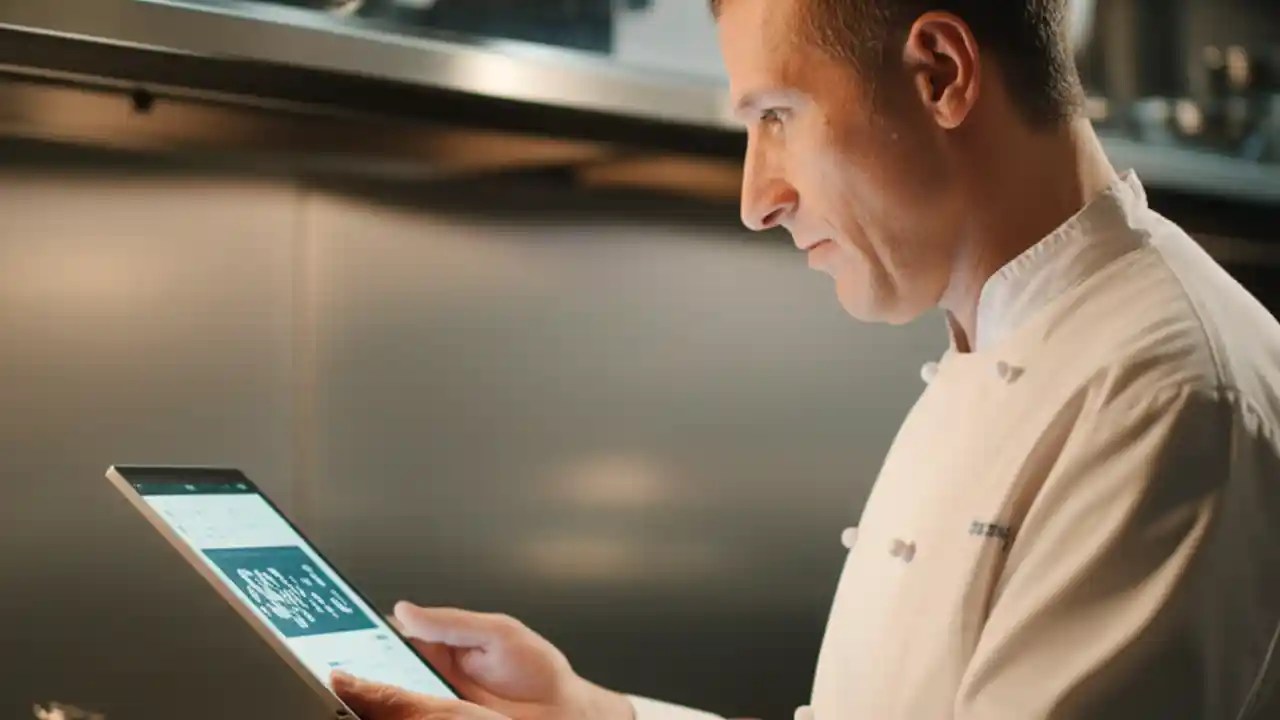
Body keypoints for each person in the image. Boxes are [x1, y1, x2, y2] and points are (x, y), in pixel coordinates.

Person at [333, 0, 1280, 717]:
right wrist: (592, 715)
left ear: (942, 73)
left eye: (777, 115)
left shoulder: (1162, 392)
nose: (756, 197)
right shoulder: (1008, 337)